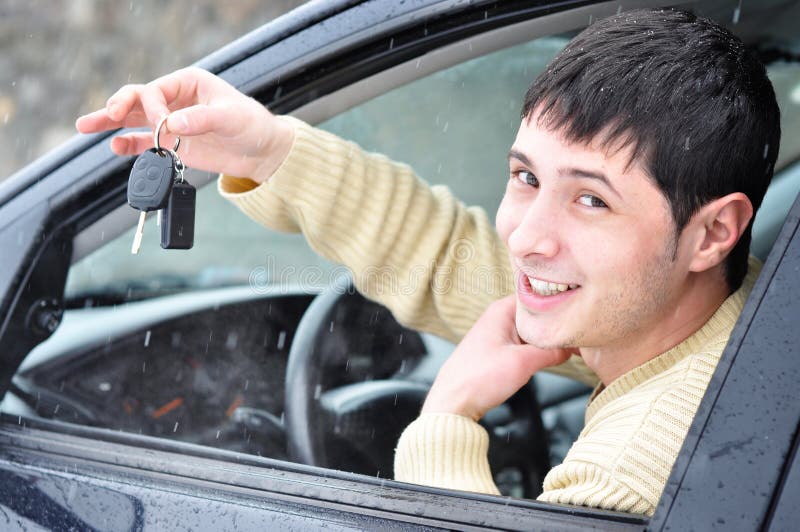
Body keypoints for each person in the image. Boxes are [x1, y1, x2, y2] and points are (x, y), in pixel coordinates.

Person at [76, 8, 780, 516]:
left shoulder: (640, 473)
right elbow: (449, 257)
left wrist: (445, 417)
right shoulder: (739, 316)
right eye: (527, 178)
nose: (528, 237)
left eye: (591, 202)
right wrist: (265, 151)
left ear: (714, 232)